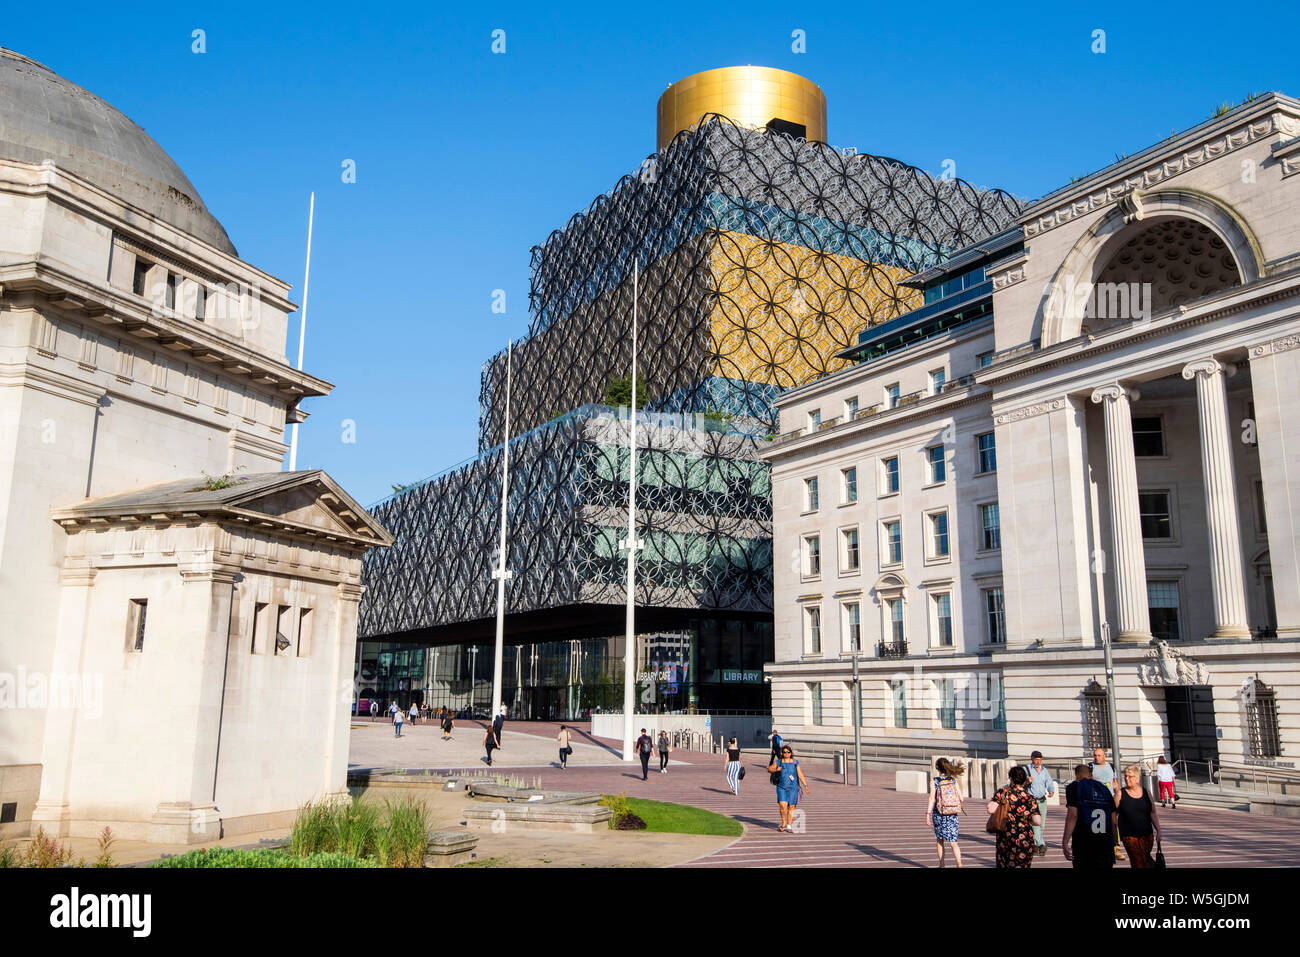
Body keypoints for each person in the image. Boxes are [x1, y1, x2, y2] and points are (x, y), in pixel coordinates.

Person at [1062, 764, 1116, 869]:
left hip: (1084, 842)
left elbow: (1073, 815)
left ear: (1076, 775)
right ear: (1091, 775)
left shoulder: (1074, 787)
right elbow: (1114, 821)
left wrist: (1065, 841)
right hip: (1104, 843)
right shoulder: (1104, 789)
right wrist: (1113, 842)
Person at [988, 765, 1041, 868]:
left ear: (1011, 778)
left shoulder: (1003, 793)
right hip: (1025, 838)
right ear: (1024, 780)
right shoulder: (1030, 798)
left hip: (1006, 837)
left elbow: (990, 809)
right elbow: (1037, 821)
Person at [1116, 765, 1161, 868]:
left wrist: (1158, 830)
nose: (1127, 779)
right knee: (1137, 860)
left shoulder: (1146, 792)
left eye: (1130, 776)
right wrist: (1114, 833)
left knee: (1144, 858)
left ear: (1137, 778)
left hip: (1147, 834)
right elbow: (1113, 814)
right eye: (1125, 776)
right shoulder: (1120, 794)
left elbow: (1153, 813)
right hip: (1129, 835)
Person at [926, 757, 966, 868]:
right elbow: (961, 798)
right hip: (952, 813)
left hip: (939, 813)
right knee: (953, 842)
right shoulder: (953, 780)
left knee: (940, 840)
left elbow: (932, 799)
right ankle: (959, 863)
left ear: (937, 768)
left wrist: (928, 814)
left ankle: (942, 864)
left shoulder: (935, 781)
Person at [767, 744, 809, 833]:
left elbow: (800, 774)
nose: (786, 753)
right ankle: (783, 823)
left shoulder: (795, 762)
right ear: (782, 753)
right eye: (785, 752)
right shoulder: (778, 762)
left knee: (791, 807)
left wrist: (805, 785)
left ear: (791, 753)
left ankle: (789, 826)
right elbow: (769, 769)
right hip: (781, 787)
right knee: (783, 806)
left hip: (793, 788)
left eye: (788, 752)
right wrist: (776, 770)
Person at [1024, 750, 1056, 857]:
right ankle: (1041, 843)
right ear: (1032, 759)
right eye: (1036, 759)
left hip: (1042, 800)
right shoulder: (1027, 770)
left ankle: (1035, 844)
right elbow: (1020, 783)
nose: (1038, 762)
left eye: (1040, 760)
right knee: (1035, 823)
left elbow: (1049, 781)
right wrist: (1027, 782)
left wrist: (1051, 790)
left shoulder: (1044, 770)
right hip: (1032, 800)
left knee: (1041, 824)